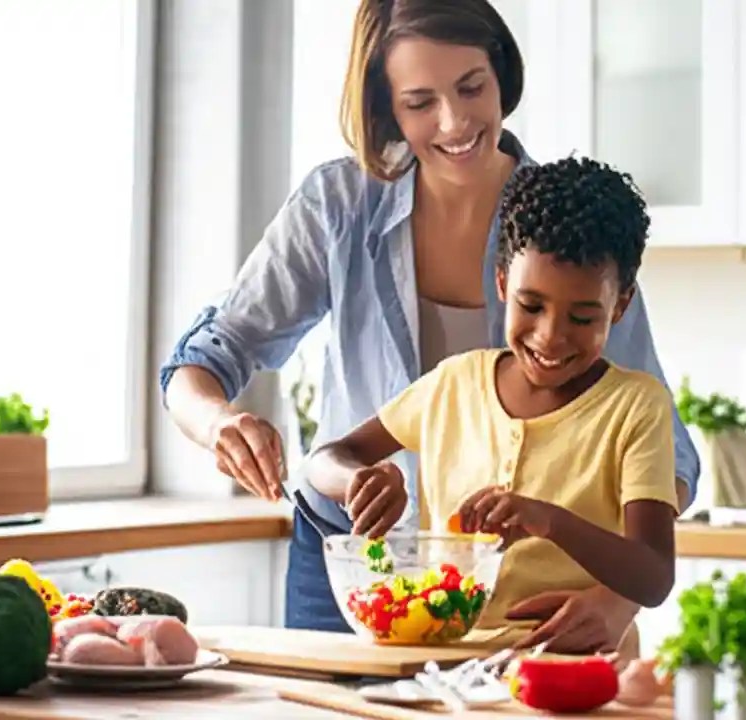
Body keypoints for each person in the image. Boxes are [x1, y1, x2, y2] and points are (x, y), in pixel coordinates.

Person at [158, 0, 699, 653]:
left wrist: (616, 598)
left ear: (501, 72)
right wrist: (222, 424)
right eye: (419, 102)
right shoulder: (340, 205)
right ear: (388, 107)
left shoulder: (564, 233)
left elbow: (665, 452)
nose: (454, 121)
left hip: (506, 586)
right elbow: (208, 358)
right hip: (354, 560)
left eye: (471, 87)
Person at [307, 157, 678, 637]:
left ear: (621, 305)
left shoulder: (635, 407)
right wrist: (360, 479)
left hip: (575, 674)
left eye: (583, 318)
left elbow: (653, 577)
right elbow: (329, 458)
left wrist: (548, 521)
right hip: (447, 666)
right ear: (502, 282)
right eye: (531, 305)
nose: (550, 336)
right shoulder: (453, 384)